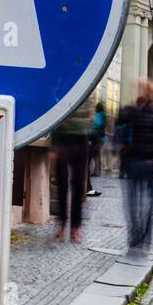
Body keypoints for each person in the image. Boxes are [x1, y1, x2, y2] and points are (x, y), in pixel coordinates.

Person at [117, 80, 153, 249]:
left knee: (138, 202)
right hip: (145, 163)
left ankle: (138, 234)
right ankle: (143, 235)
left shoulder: (132, 112)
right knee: (145, 202)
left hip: (137, 163)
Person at [51, 95, 95, 244]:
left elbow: (89, 122)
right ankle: (62, 225)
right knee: (62, 185)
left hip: (81, 144)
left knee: (78, 187)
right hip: (62, 143)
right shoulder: (65, 89)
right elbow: (56, 116)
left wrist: (70, 120)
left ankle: (75, 227)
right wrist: (54, 145)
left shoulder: (87, 93)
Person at [86, 101, 108, 197]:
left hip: (94, 139)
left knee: (90, 159)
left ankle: (88, 186)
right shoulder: (101, 115)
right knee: (94, 157)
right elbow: (100, 126)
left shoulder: (98, 115)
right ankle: (97, 171)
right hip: (96, 139)